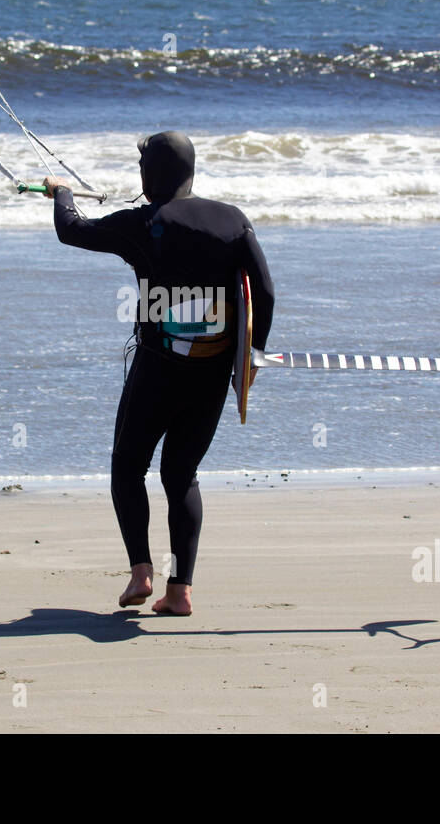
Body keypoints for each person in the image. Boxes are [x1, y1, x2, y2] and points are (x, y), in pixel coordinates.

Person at [40, 131, 274, 615]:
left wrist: (59, 190)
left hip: (158, 369)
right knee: (181, 473)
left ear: (148, 176)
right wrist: (250, 360)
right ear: (191, 173)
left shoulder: (142, 223)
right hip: (212, 370)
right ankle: (180, 590)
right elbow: (264, 294)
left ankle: (142, 572)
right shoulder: (232, 220)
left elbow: (72, 229)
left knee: (128, 465)